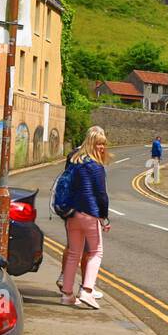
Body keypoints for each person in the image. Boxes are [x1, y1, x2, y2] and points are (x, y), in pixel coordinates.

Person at [59, 126, 111, 310]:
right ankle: (87, 291)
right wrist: (104, 216)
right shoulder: (96, 166)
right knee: (96, 252)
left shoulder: (74, 161)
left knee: (74, 253)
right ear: (92, 143)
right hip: (89, 213)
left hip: (72, 213)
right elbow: (101, 194)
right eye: (99, 144)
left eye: (104, 144)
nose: (102, 148)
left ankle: (67, 294)